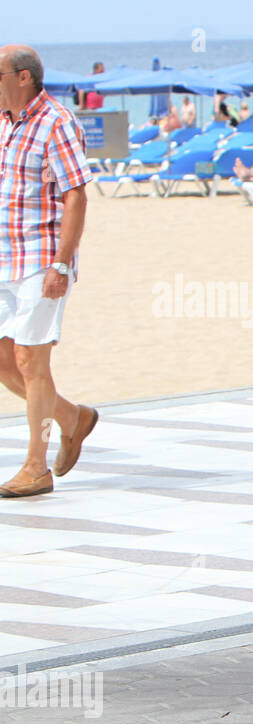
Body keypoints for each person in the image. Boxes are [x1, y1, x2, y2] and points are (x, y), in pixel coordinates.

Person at [0, 46, 99, 498]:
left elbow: (76, 195)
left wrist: (62, 263)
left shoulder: (56, 121)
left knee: (30, 361)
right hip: (4, 257)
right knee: (4, 362)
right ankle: (72, 418)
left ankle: (36, 467)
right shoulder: (5, 121)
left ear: (23, 77)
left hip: (41, 258)